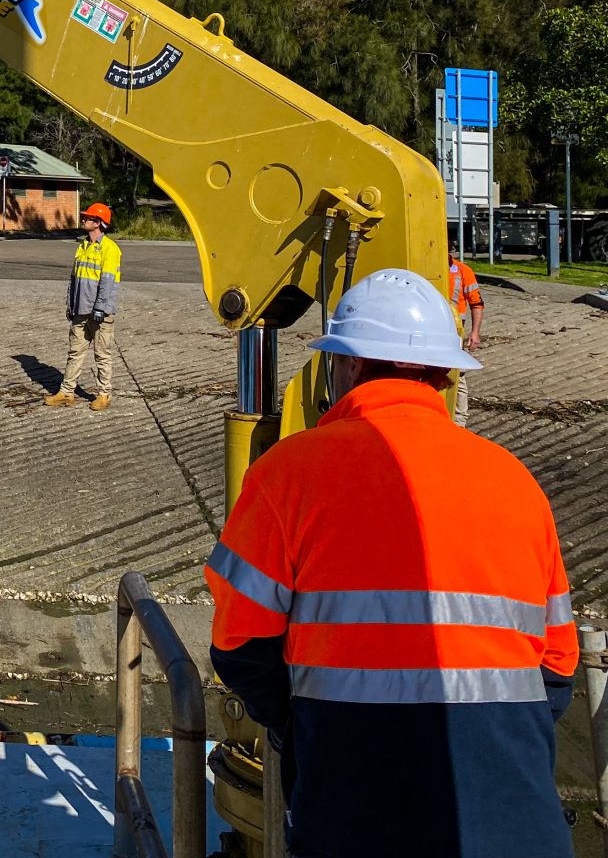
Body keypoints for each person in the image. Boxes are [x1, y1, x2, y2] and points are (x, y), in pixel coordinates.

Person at [207, 268, 576, 858]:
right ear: (443, 372)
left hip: (354, 813)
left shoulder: (288, 474)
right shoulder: (515, 482)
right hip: (517, 818)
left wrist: (302, 728)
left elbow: (239, 646)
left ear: (349, 365)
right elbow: (558, 667)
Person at [47, 202, 121, 410]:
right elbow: (74, 279)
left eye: (88, 218)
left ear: (98, 222)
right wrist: (71, 304)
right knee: (75, 352)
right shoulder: (82, 246)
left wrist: (100, 308)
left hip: (100, 313)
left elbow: (107, 282)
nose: (84, 220)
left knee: (102, 354)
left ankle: (104, 394)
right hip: (80, 310)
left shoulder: (110, 249)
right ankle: (66, 392)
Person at [449, 249, 484, 428]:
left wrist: (475, 332)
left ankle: (460, 420)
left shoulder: (463, 271)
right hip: (434, 328)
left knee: (459, 375)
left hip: (456, 331)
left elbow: (476, 303)